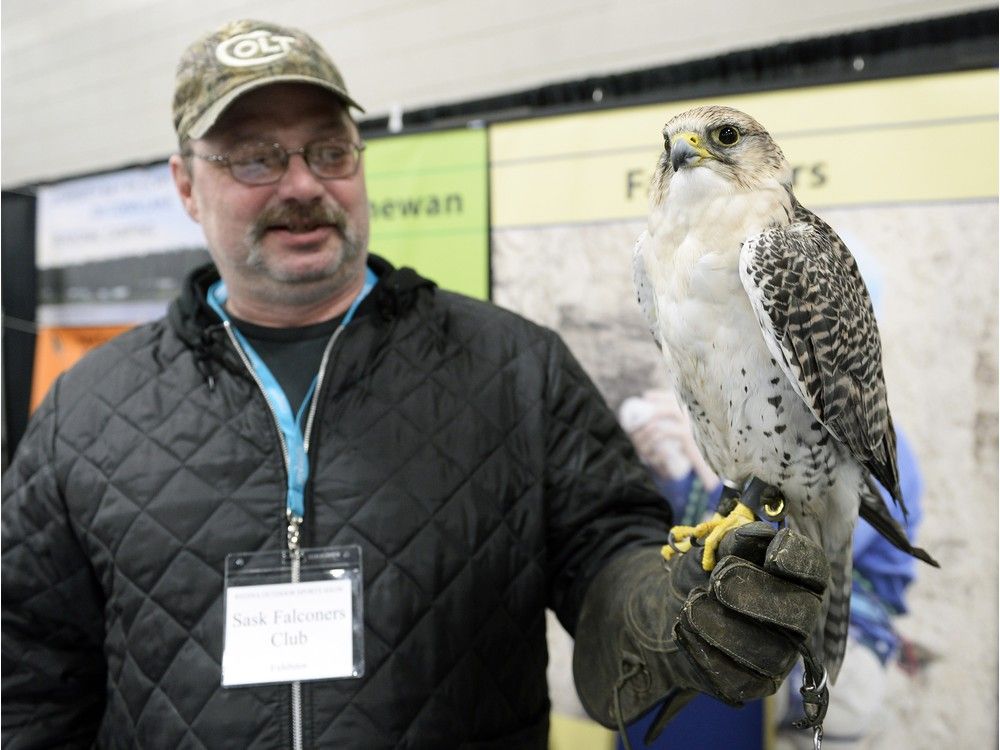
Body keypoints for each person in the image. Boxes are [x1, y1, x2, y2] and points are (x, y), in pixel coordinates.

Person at [1, 20, 829, 749]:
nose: (301, 185)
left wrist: (673, 617)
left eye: (328, 148)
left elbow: (611, 562)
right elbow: (27, 682)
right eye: (254, 157)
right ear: (186, 184)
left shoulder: (514, 367)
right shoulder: (87, 410)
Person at [620, 389, 923, 750]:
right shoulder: (754, 437)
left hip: (836, 659)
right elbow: (692, 550)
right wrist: (672, 471)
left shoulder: (873, 445)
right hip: (741, 641)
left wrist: (714, 474)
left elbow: (802, 553)